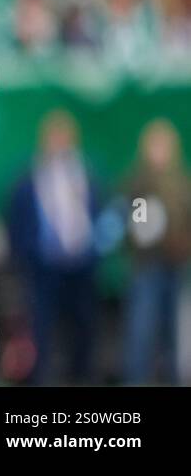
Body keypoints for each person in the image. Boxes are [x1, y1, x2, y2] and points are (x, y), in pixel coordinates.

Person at [6, 110, 102, 385]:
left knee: (83, 326)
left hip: (82, 263)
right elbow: (16, 219)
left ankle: (81, 376)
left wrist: (96, 248)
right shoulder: (29, 177)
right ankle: (40, 378)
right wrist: (25, 253)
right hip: (43, 264)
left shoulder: (87, 173)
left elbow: (98, 212)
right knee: (40, 326)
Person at [122, 118, 191, 384]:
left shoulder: (181, 183)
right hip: (147, 266)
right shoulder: (138, 183)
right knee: (142, 328)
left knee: (173, 331)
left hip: (176, 265)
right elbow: (133, 228)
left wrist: (181, 244)